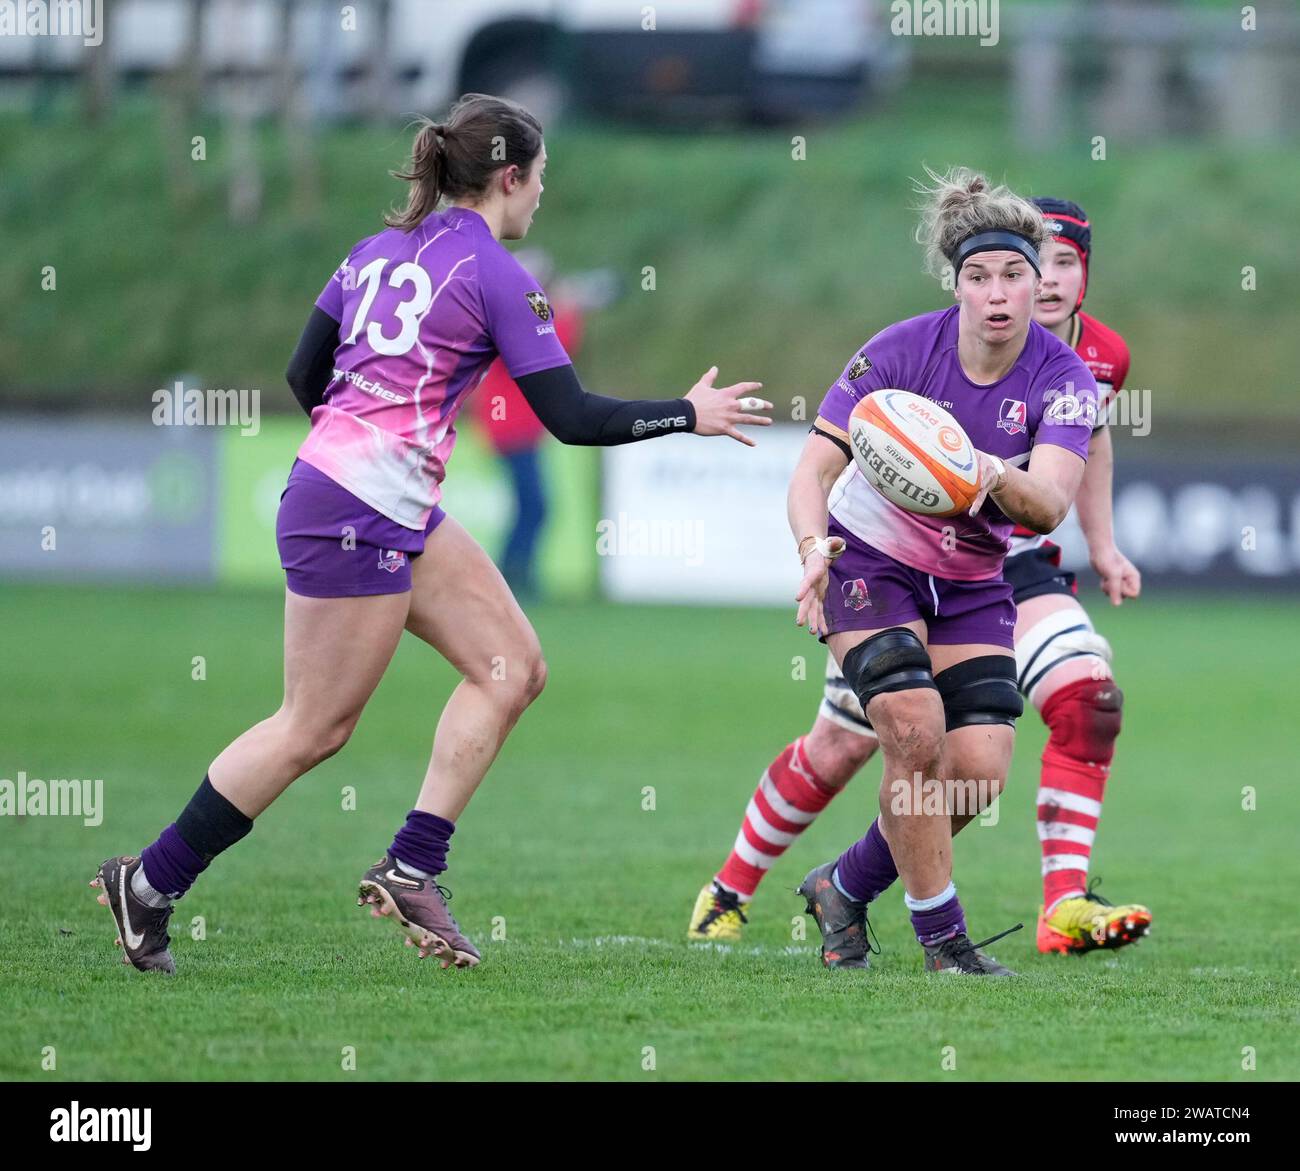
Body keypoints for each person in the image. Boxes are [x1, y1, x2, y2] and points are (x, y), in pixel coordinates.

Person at [91, 93, 770, 974]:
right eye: (539, 181)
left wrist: (366, 449)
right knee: (313, 726)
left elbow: (306, 370)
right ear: (509, 177)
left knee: (511, 666)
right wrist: (688, 411)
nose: (540, 199)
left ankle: (414, 864)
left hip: (373, 497)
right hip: (358, 508)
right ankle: (147, 884)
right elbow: (569, 415)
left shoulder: (372, 251)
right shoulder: (495, 272)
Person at [689, 197, 1151, 959]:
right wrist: (811, 548)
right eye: (978, 276)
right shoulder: (898, 351)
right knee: (909, 731)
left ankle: (842, 884)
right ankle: (945, 941)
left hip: (974, 580)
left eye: (1014, 275)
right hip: (870, 564)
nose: (997, 293)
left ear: (1038, 285)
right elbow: (812, 471)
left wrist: (982, 467)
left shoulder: (1065, 376)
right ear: (956, 283)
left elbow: (1047, 506)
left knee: (975, 773)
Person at [470, 250, 585, 600]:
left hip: (516, 429)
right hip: (510, 429)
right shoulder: (512, 316)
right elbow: (553, 344)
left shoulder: (511, 312)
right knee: (534, 505)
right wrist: (567, 312)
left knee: (531, 505)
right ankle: (510, 576)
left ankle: (513, 575)